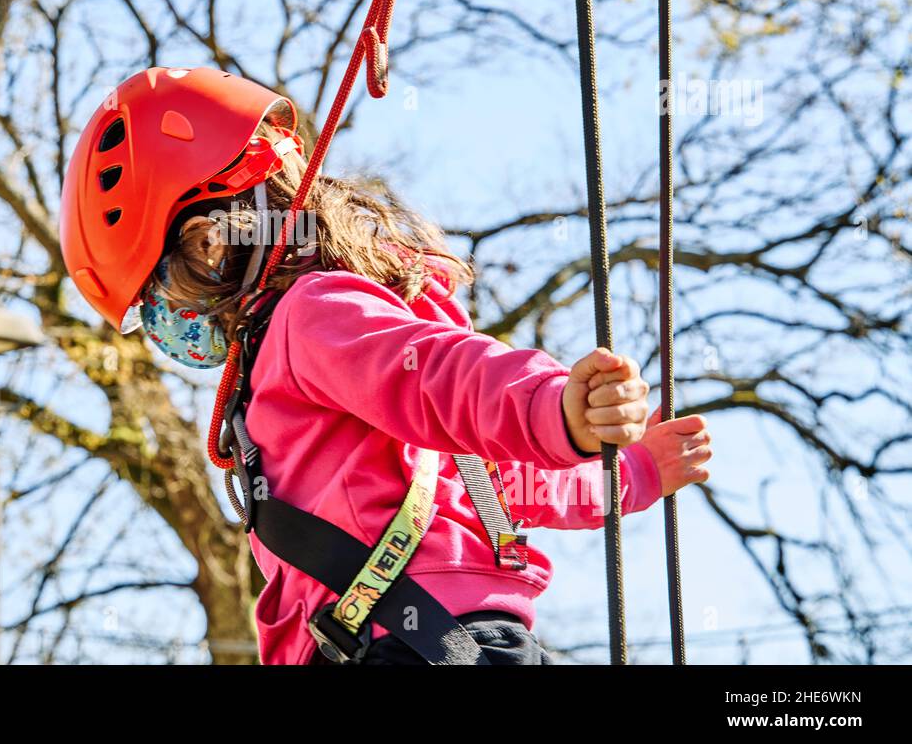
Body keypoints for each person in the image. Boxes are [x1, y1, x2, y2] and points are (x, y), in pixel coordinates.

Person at [61, 66, 713, 664]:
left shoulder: (309, 314)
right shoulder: (292, 373)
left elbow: (443, 377)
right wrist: (631, 471)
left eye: (185, 275)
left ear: (236, 223)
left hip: (412, 646)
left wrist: (556, 408)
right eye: (159, 307)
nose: (186, 316)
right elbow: (506, 480)